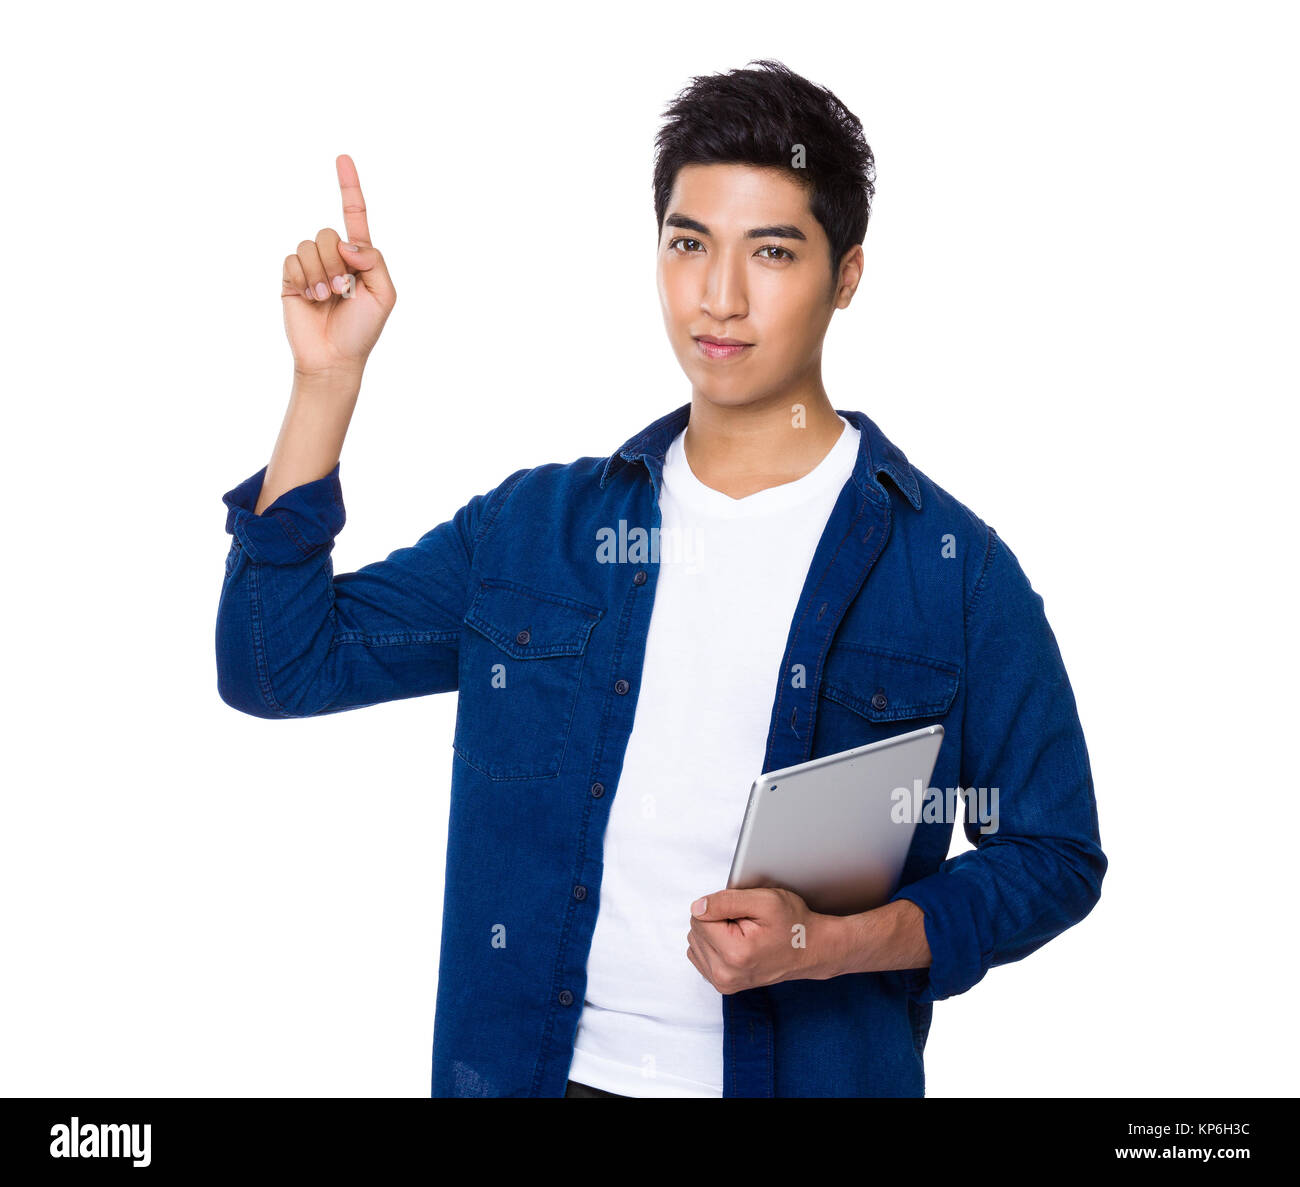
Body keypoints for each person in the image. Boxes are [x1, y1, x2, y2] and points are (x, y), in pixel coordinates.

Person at [215, 59, 1106, 1098]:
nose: (717, 297)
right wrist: (325, 383)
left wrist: (828, 941)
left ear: (846, 274)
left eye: (771, 252)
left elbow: (1052, 852)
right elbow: (278, 667)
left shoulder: (953, 571)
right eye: (690, 244)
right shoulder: (535, 531)